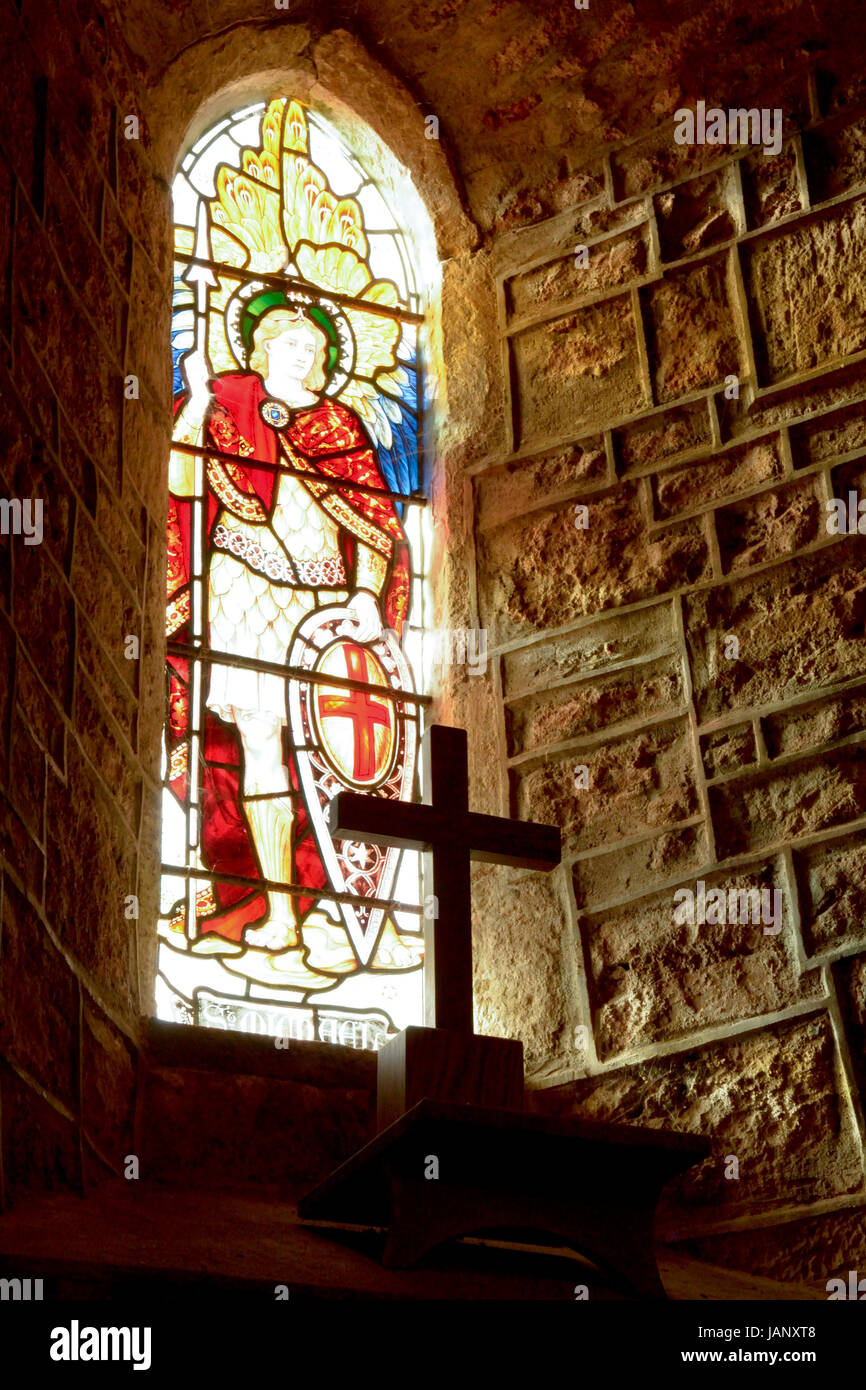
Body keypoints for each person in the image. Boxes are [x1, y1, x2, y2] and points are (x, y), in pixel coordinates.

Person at [167, 299, 413, 980]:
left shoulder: (339, 425)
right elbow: (180, 482)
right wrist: (194, 395)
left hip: (325, 606)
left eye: (312, 348)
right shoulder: (224, 407)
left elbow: (373, 522)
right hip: (245, 590)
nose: (302, 356)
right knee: (260, 748)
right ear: (262, 349)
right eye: (288, 344)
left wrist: (366, 595)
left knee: (344, 754)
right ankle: (277, 913)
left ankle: (354, 909)